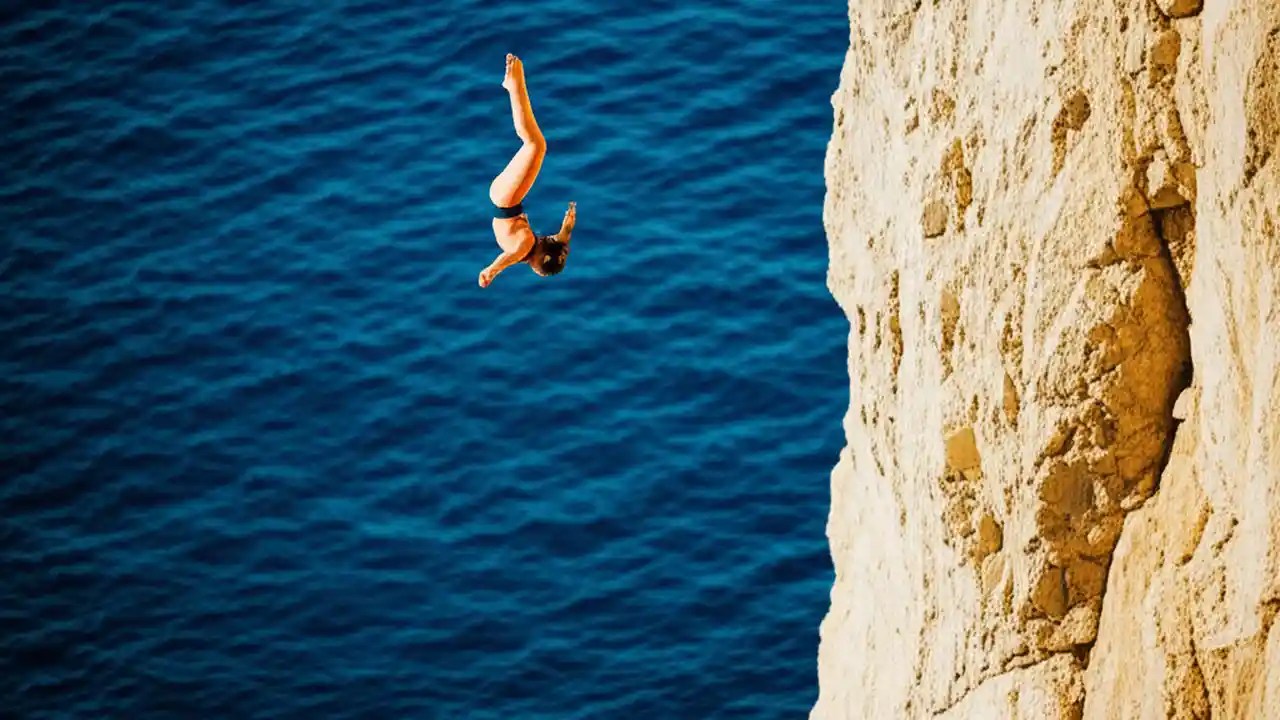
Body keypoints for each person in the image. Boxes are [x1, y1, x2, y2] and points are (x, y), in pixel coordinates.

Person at [480, 54, 575, 288]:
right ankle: (514, 86)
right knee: (535, 144)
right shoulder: (532, 249)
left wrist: (491, 271)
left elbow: (506, 259)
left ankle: (514, 85)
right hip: (507, 201)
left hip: (506, 200)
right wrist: (568, 224)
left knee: (535, 144)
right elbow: (563, 239)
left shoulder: (522, 248)